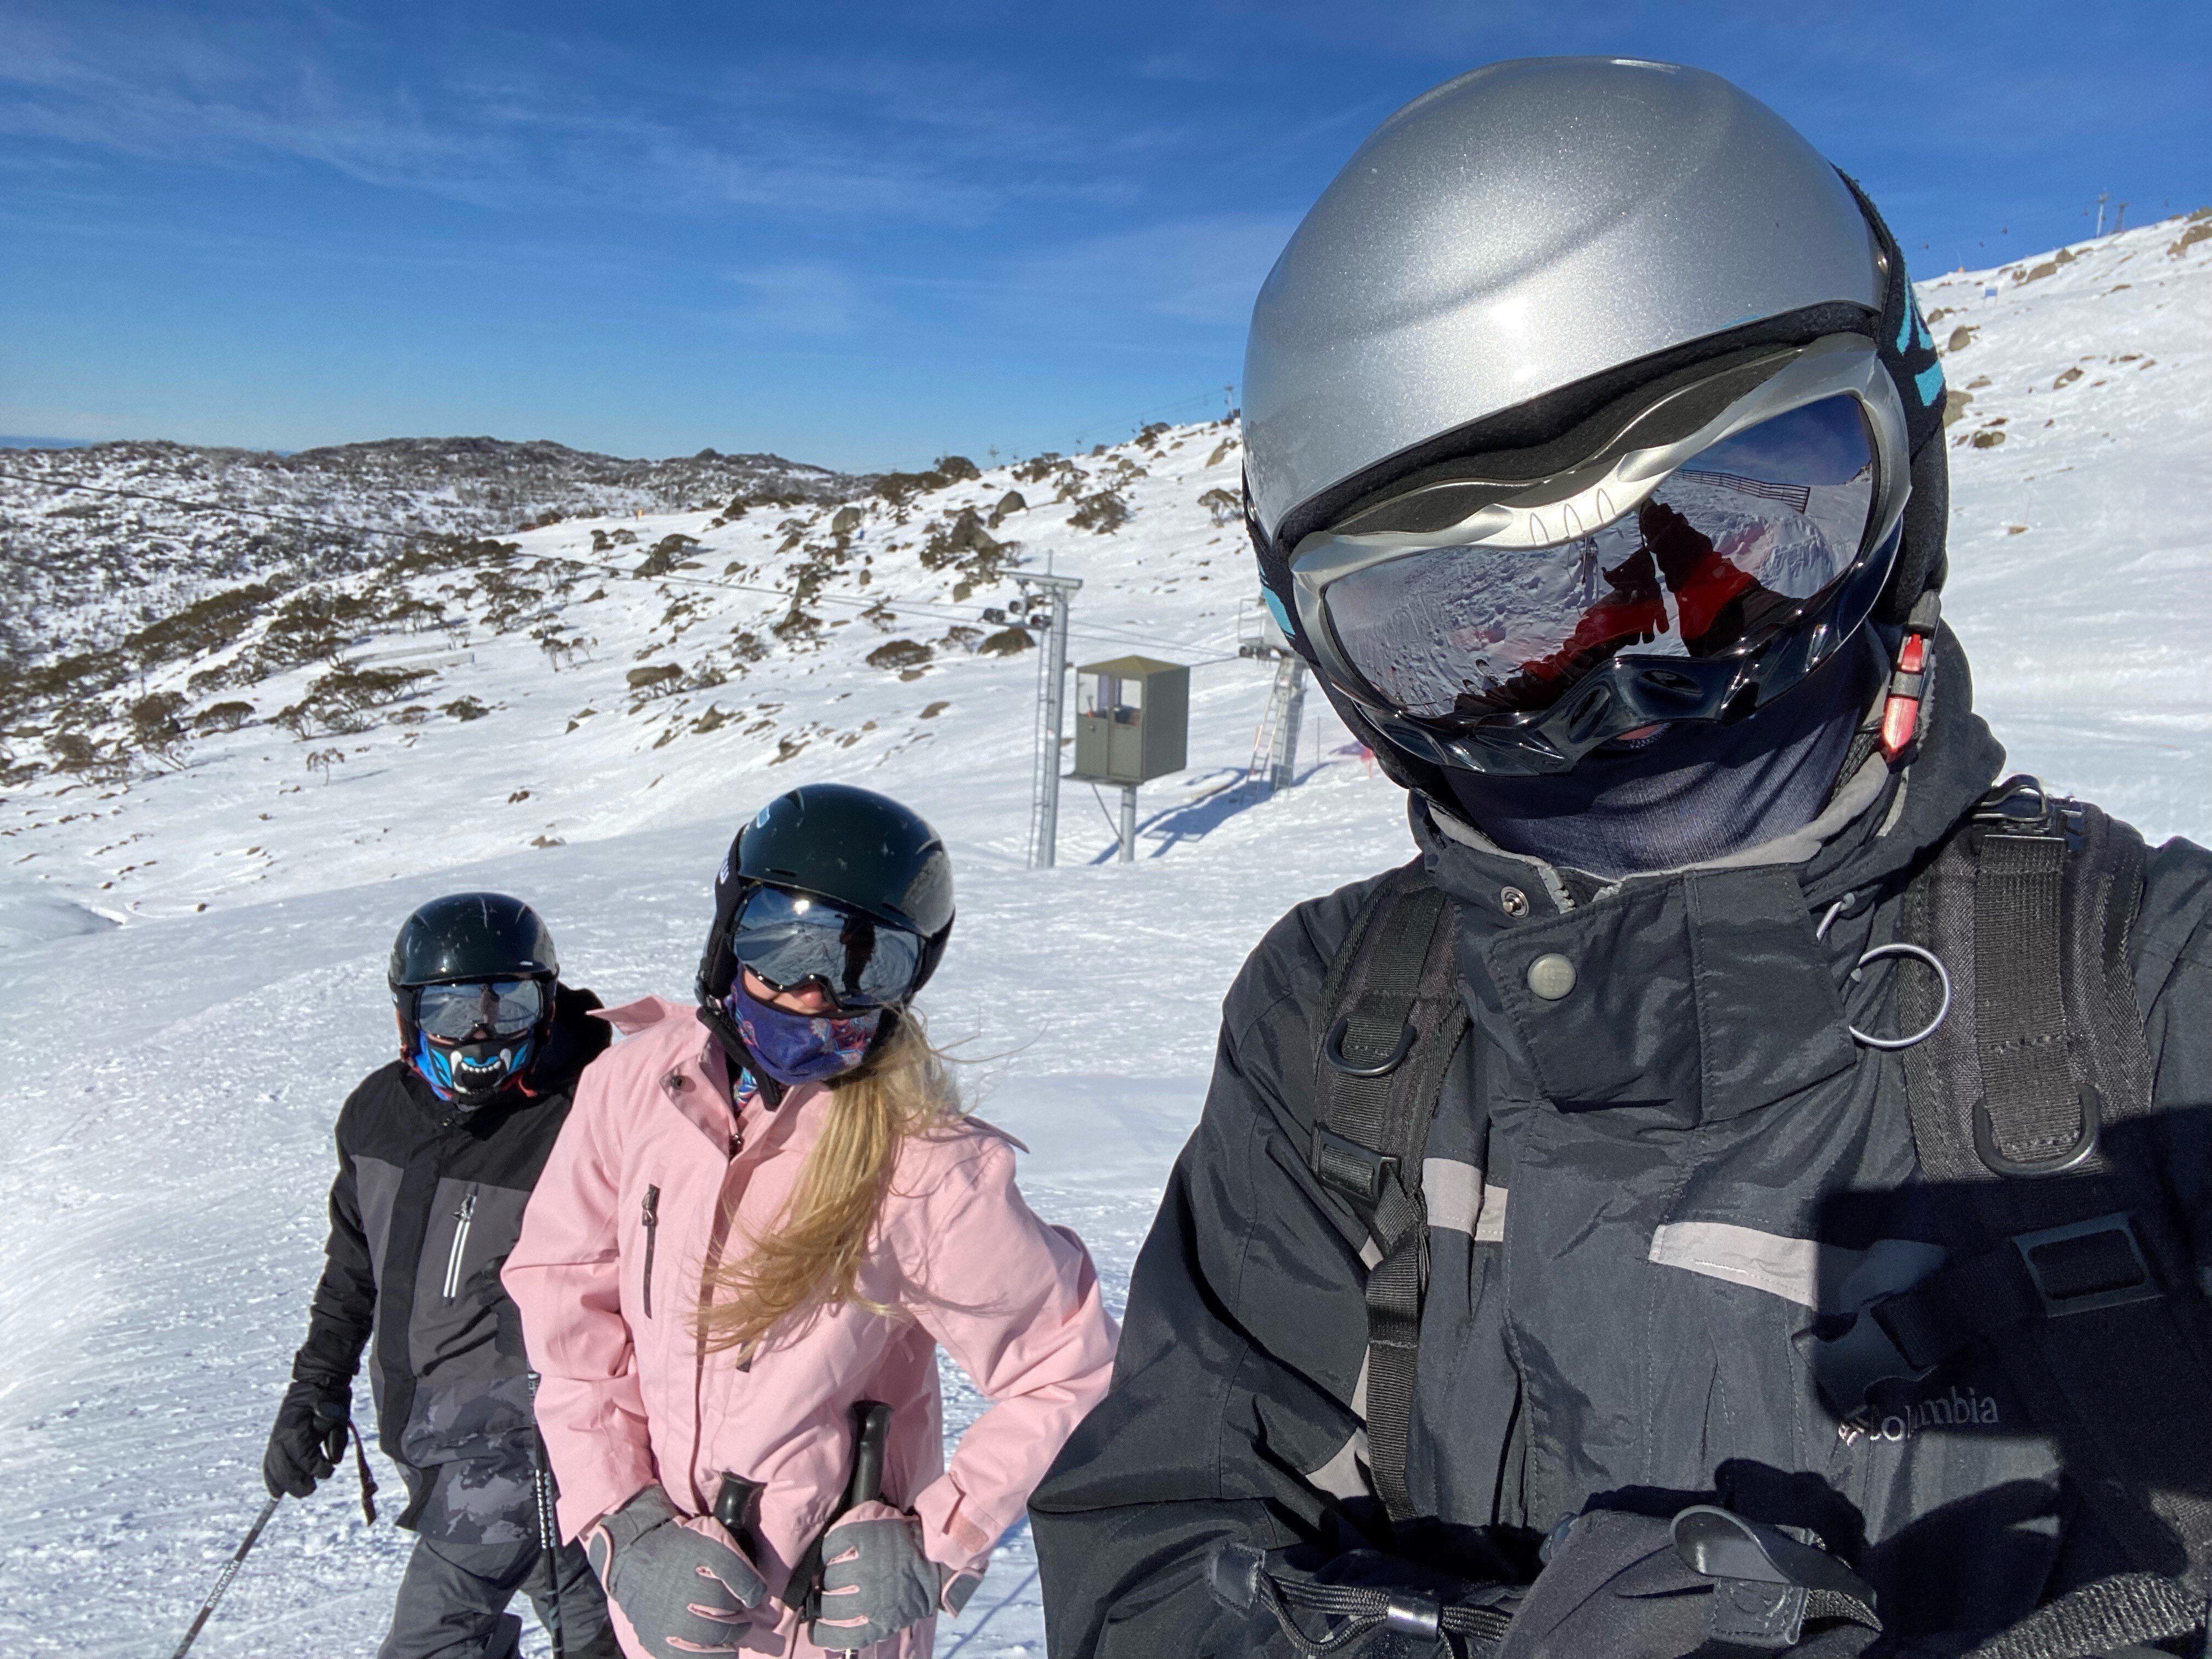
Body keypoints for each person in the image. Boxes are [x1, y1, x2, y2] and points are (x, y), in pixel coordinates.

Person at [1031, 58, 2212, 1659]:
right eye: (1477, 640)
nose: (1636, 695)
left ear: (1908, 491)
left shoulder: (2144, 994)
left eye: (1730, 553)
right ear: (1340, 682)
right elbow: (1166, 1532)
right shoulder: (1347, 1020)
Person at [504, 782, 1119, 1658]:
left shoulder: (921, 1165)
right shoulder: (635, 1089)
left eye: (864, 965)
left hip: (823, 1625)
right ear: (726, 938)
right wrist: (624, 1522)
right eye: (780, 947)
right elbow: (568, 1316)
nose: (813, 996)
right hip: (664, 1607)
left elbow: (1071, 1367)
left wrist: (935, 1539)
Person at [265, 891, 619, 1659]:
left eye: (511, 1005)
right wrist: (315, 1390)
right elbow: (353, 1271)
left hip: (531, 1454)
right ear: (409, 1015)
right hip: (426, 1440)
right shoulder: (376, 1116)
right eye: (453, 1011)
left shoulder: (587, 1117)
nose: (482, 1035)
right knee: (604, 1637)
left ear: (549, 1006)